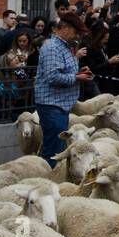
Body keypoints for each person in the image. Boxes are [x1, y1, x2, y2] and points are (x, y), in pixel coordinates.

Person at [34, 11, 93, 164]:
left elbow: (62, 71)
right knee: (54, 150)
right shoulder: (53, 47)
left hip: (59, 105)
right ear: (65, 28)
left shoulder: (64, 47)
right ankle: (49, 177)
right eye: (75, 32)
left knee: (57, 147)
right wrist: (77, 77)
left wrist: (79, 72)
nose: (77, 36)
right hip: (52, 104)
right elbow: (52, 77)